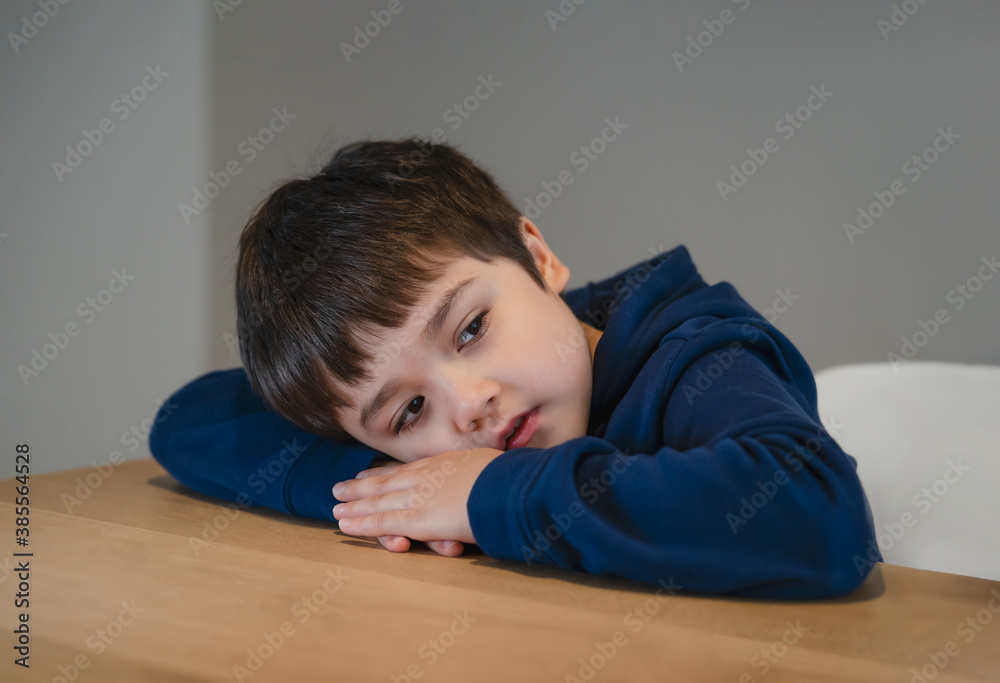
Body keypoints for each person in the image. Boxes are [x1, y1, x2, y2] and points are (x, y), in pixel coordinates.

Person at [149, 138, 879, 599]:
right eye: (408, 411)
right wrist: (393, 494)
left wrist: (486, 493)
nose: (467, 406)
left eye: (470, 329)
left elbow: (819, 514)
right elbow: (190, 419)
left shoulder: (695, 354)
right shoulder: (446, 435)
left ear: (538, 257)